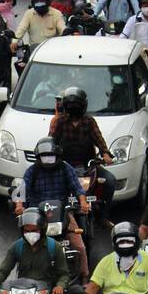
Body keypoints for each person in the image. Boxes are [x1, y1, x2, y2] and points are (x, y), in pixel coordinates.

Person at [18, 137, 89, 282]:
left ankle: (85, 278)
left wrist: (83, 202)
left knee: (80, 247)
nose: (48, 160)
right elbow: (21, 192)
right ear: (38, 158)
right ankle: (23, 276)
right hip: (37, 215)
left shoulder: (65, 168)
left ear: (58, 156)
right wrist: (19, 206)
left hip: (63, 212)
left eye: (50, 156)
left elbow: (78, 188)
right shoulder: (32, 171)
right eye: (44, 157)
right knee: (23, 246)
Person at [48, 86, 115, 226]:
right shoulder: (59, 123)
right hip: (65, 167)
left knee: (110, 181)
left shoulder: (89, 122)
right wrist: (49, 155)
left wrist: (105, 153)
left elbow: (99, 140)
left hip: (88, 166)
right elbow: (51, 142)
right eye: (70, 106)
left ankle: (102, 217)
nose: (73, 109)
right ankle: (54, 217)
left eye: (76, 106)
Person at [0, 206, 70, 294]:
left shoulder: (55, 247)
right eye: (27, 231)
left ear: (42, 230)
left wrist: (60, 286)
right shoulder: (16, 247)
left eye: (34, 230)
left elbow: (64, 274)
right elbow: (3, 271)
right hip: (23, 293)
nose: (30, 234)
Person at [79, 220, 148, 294]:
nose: (125, 244)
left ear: (137, 241)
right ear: (114, 243)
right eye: (121, 241)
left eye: (129, 241)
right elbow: (93, 286)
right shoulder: (106, 262)